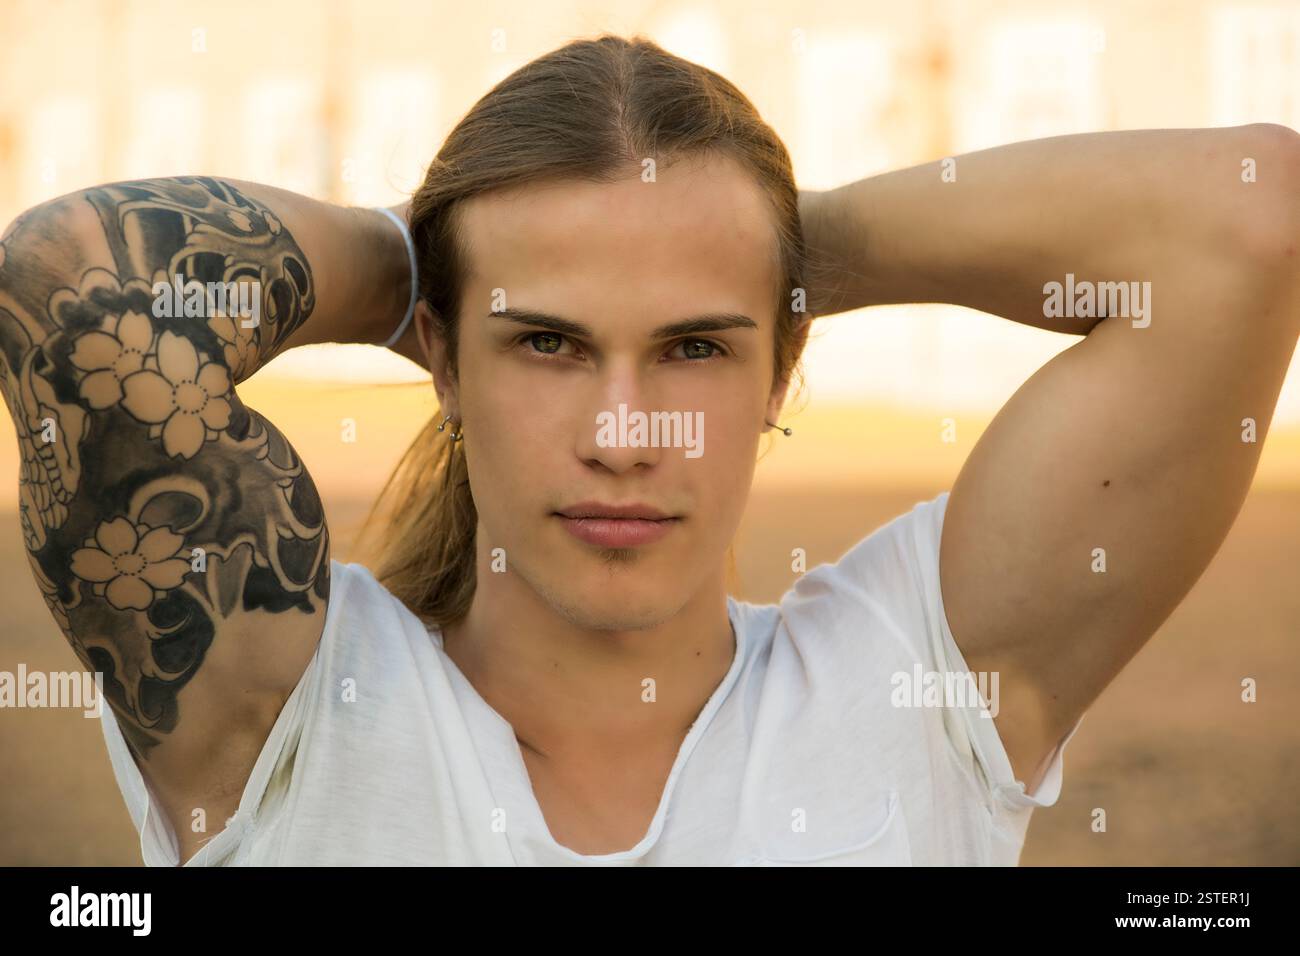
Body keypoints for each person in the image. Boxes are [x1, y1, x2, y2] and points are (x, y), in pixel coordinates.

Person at [1, 34, 1296, 866]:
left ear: (782, 367)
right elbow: (74, 286)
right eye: (548, 345)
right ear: (442, 363)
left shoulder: (921, 689)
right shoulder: (286, 713)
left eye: (695, 347)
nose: (624, 437)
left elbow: (1253, 218)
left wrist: (768, 241)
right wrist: (420, 264)